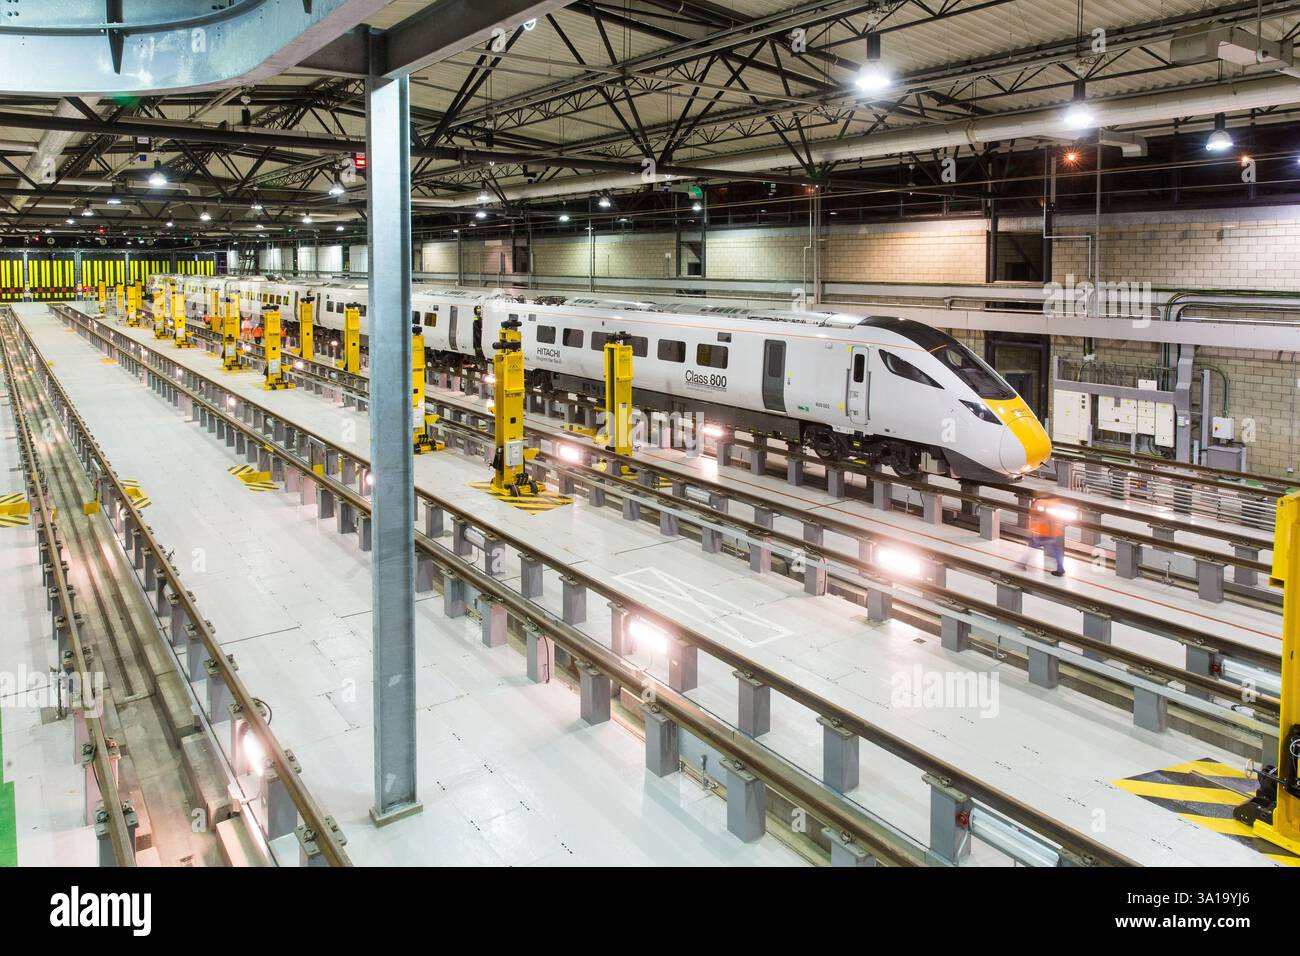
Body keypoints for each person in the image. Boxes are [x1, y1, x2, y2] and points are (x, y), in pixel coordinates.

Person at [1019, 492, 1067, 576]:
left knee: (1031, 547)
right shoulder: (1056, 503)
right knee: (1057, 551)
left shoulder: (1040, 503)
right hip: (1056, 532)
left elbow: (1034, 517)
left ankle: (1022, 564)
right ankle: (1060, 569)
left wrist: (1031, 530)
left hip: (1042, 532)